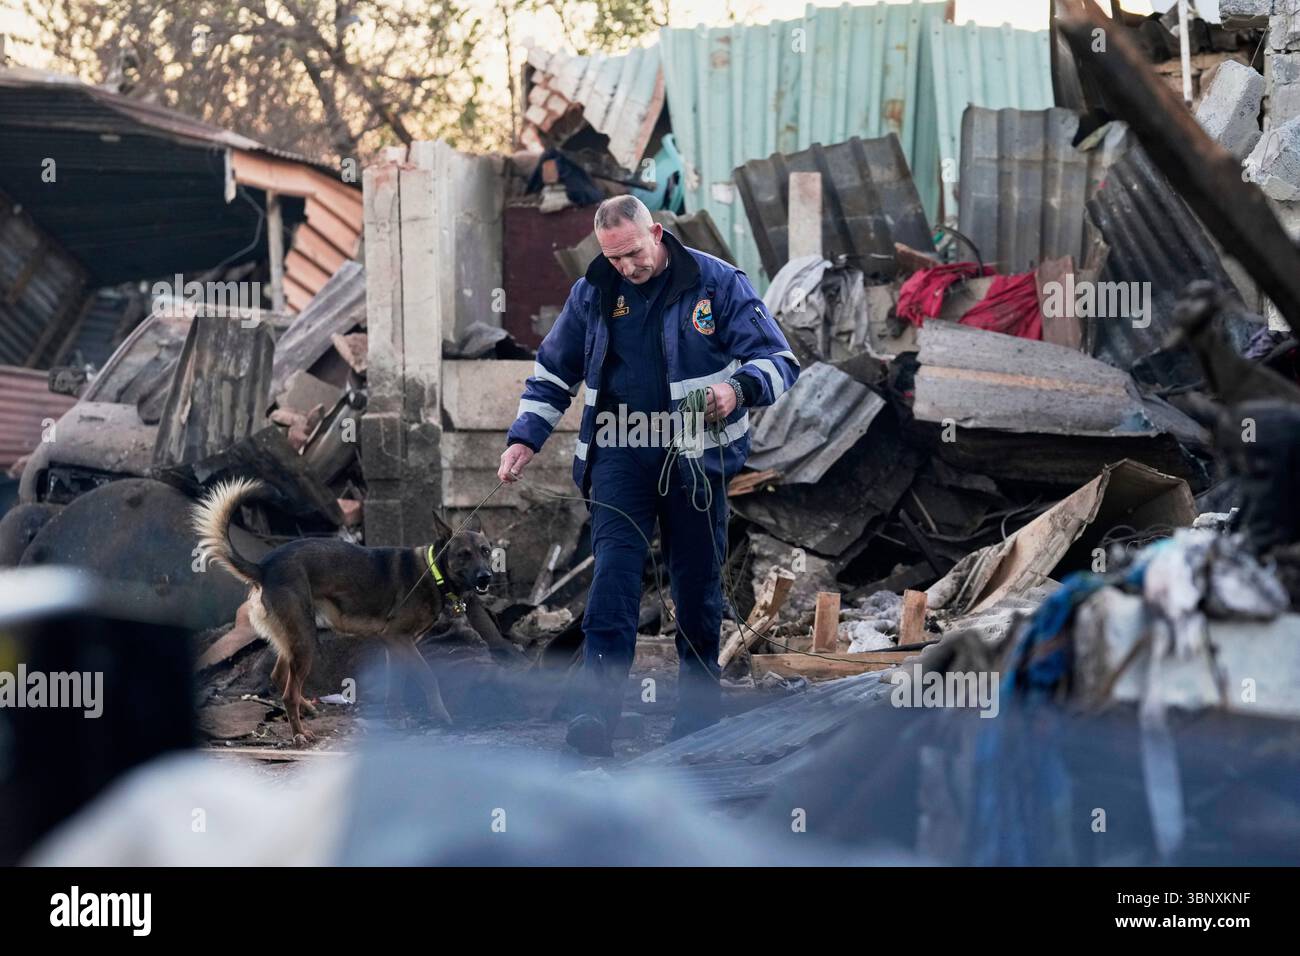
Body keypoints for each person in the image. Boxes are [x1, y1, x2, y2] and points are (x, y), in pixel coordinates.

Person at [499, 195, 800, 755]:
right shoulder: (592, 292)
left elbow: (780, 362)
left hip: (696, 454)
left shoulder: (717, 283)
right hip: (619, 453)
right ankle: (593, 718)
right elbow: (552, 373)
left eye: (634, 254)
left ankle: (698, 717)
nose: (627, 268)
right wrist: (524, 438)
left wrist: (737, 390)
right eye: (614, 259)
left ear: (656, 233)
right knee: (613, 578)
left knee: (696, 585)